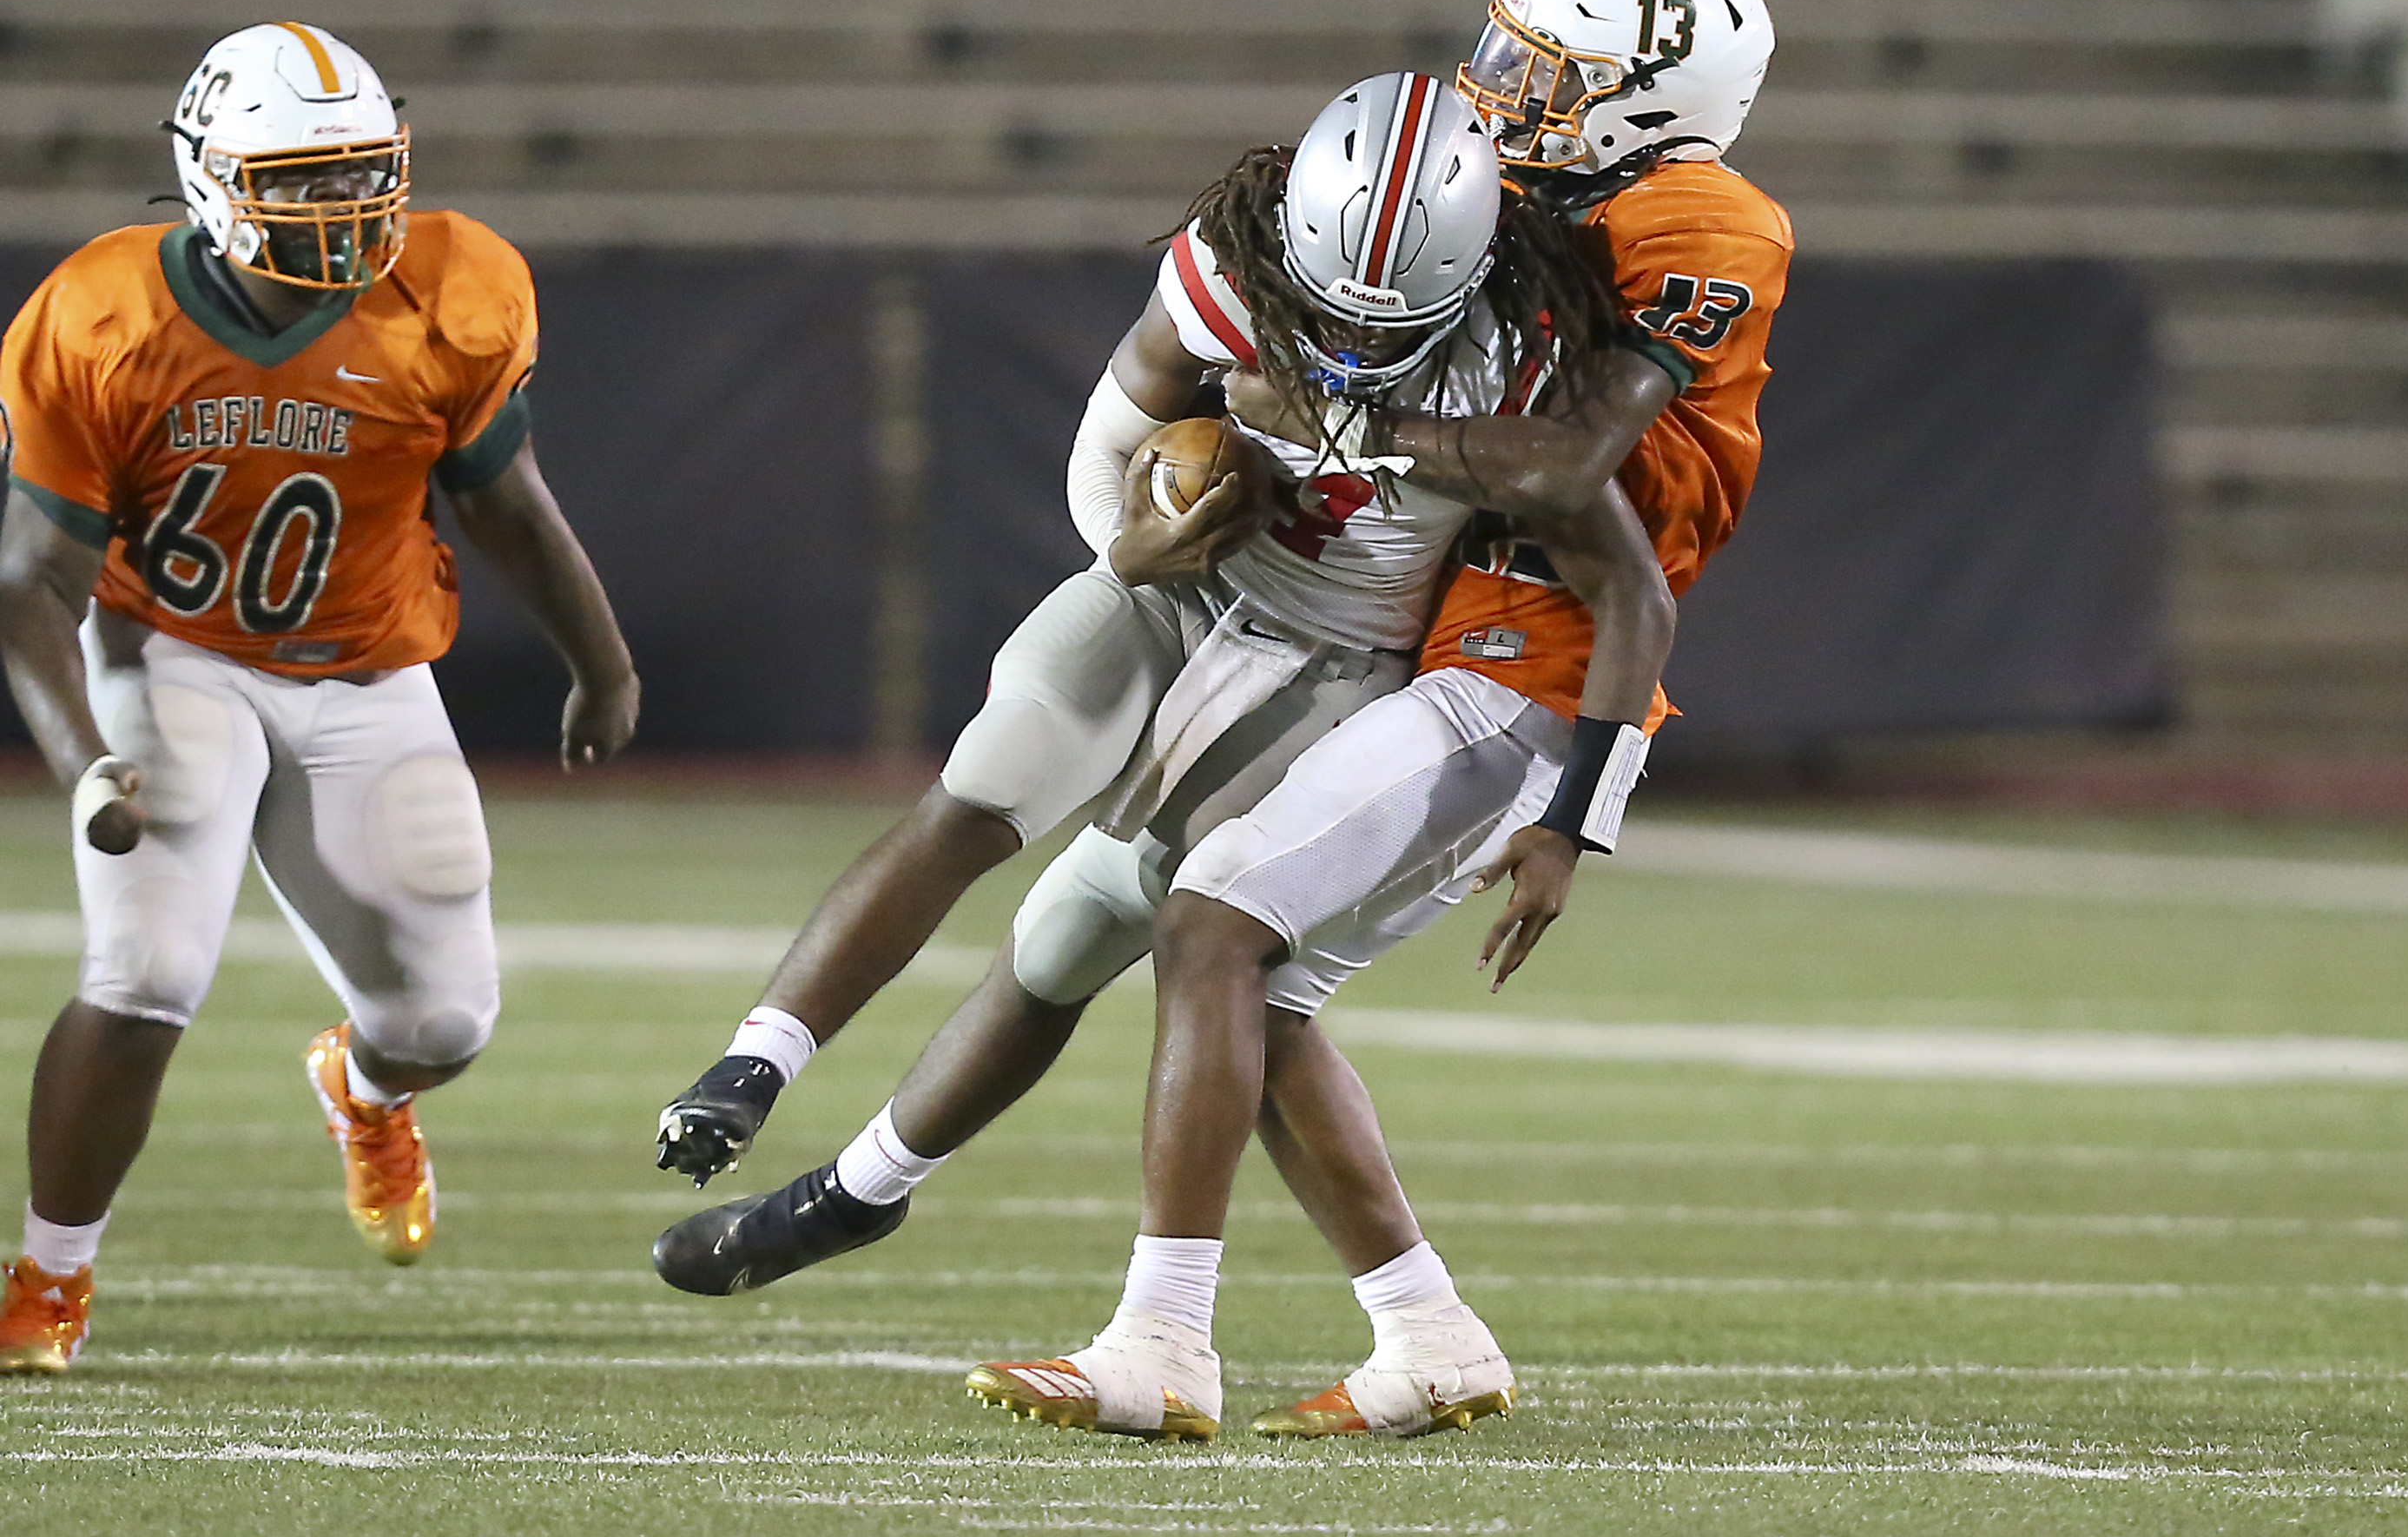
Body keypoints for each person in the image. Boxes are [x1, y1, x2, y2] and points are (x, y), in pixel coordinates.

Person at [644, 81, 1660, 1430]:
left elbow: (1628, 583)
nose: (1355, 337)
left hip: (1337, 661)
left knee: (1098, 932)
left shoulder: (1521, 361)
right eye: (1332, 305)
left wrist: (1581, 813)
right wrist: (1130, 547)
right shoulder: (1233, 272)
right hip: (1179, 587)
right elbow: (1110, 449)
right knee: (992, 775)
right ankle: (755, 1059)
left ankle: (863, 1196)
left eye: (1391, 318)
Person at [966, 0, 1790, 1441]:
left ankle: (1161, 1343)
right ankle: (1429, 1338)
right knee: (1259, 992)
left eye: (1552, 77)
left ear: (1655, 104)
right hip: (1460, 640)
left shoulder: (1705, 225)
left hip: (1530, 665)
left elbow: (1571, 472)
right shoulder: (1537, 194)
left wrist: (1336, 415)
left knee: (1210, 919)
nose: (1504, 95)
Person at [0, 22, 638, 1375]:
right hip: (167, 655)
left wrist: (605, 659)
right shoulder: (104, 316)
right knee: (148, 970)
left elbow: (508, 509)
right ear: (213, 181)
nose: (344, 209)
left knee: (445, 1022)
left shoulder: (451, 291)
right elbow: (31, 584)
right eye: (302, 180)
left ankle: (360, 1087)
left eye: (362, 171)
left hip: (366, 672)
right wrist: (87, 765)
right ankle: (48, 1277)